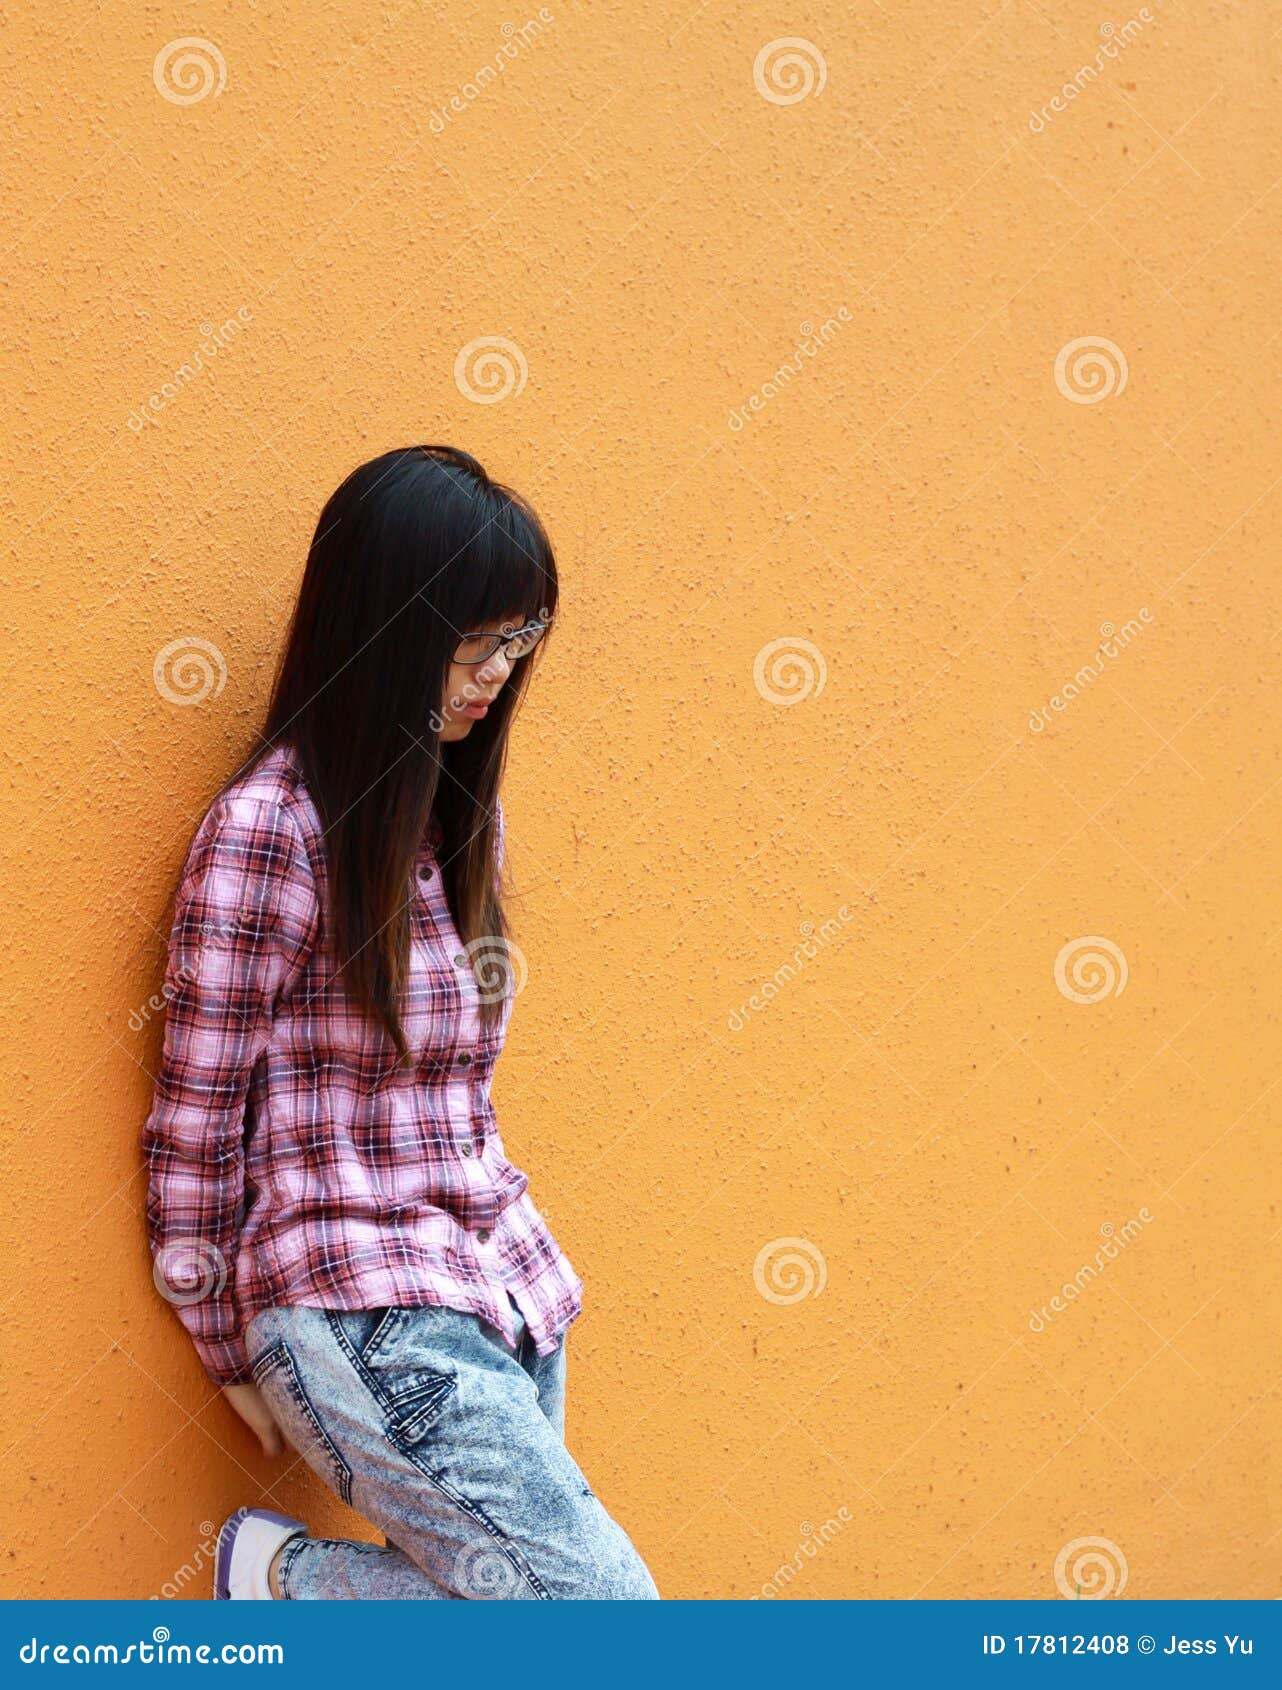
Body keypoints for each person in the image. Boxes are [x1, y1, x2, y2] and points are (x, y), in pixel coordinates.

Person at [140, 445, 659, 1600]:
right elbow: (196, 1116)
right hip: (357, 1306)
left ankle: (285, 1592)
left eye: (516, 641)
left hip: (504, 1289)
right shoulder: (273, 830)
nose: (497, 674)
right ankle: (286, 1588)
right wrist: (222, 1342)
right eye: (475, 640)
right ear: (386, 624)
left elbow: (458, 1101)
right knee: (606, 1620)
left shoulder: (457, 820)